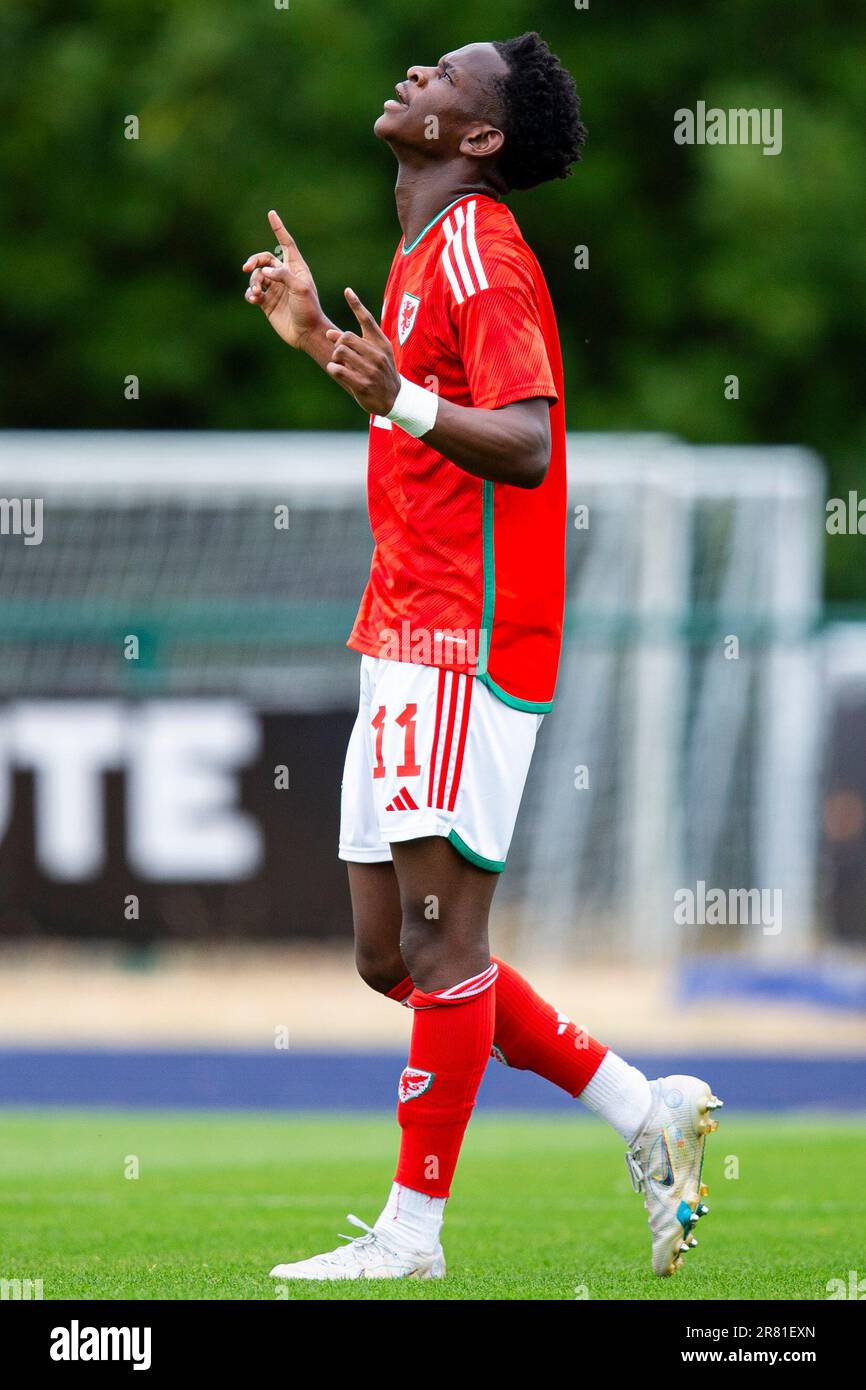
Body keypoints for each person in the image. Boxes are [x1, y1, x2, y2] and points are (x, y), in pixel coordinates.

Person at [243, 32, 721, 1281]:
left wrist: (392, 396)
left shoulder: (480, 248)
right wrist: (318, 345)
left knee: (442, 944)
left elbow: (522, 443)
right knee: (389, 954)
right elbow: (416, 416)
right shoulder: (415, 248)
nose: (412, 73)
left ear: (478, 137)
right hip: (401, 619)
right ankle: (638, 1107)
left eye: (444, 76)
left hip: (462, 631)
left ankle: (412, 1235)